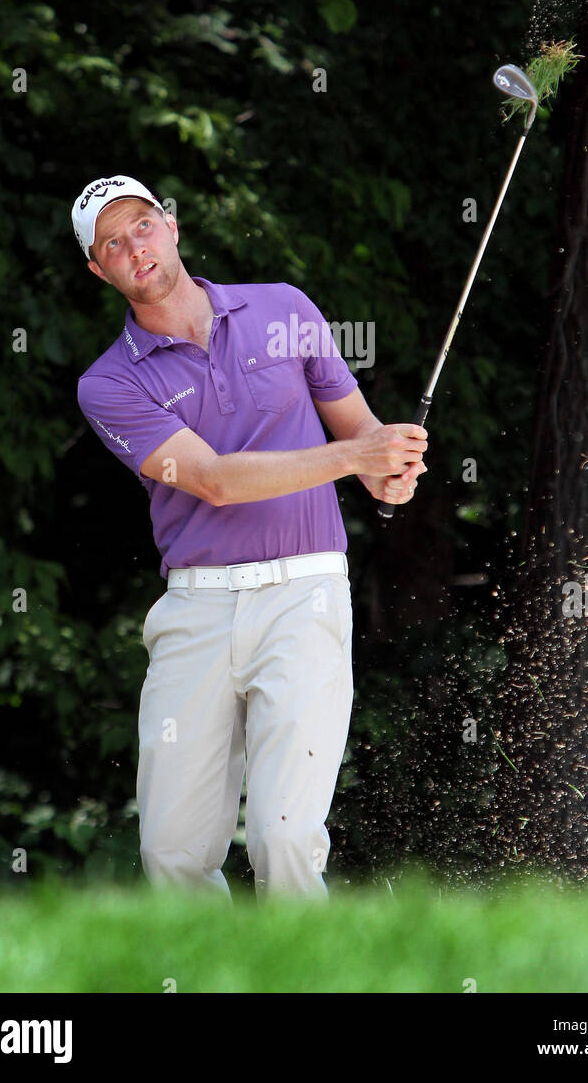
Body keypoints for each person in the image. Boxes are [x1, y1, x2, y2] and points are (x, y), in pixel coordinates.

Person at [71, 174, 428, 899]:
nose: (132, 245)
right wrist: (354, 458)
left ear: (170, 225)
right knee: (173, 853)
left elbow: (356, 428)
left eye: (140, 224)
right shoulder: (108, 383)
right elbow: (212, 480)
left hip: (304, 595)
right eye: (112, 243)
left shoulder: (284, 308)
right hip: (196, 611)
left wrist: (385, 469)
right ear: (97, 270)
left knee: (286, 838)